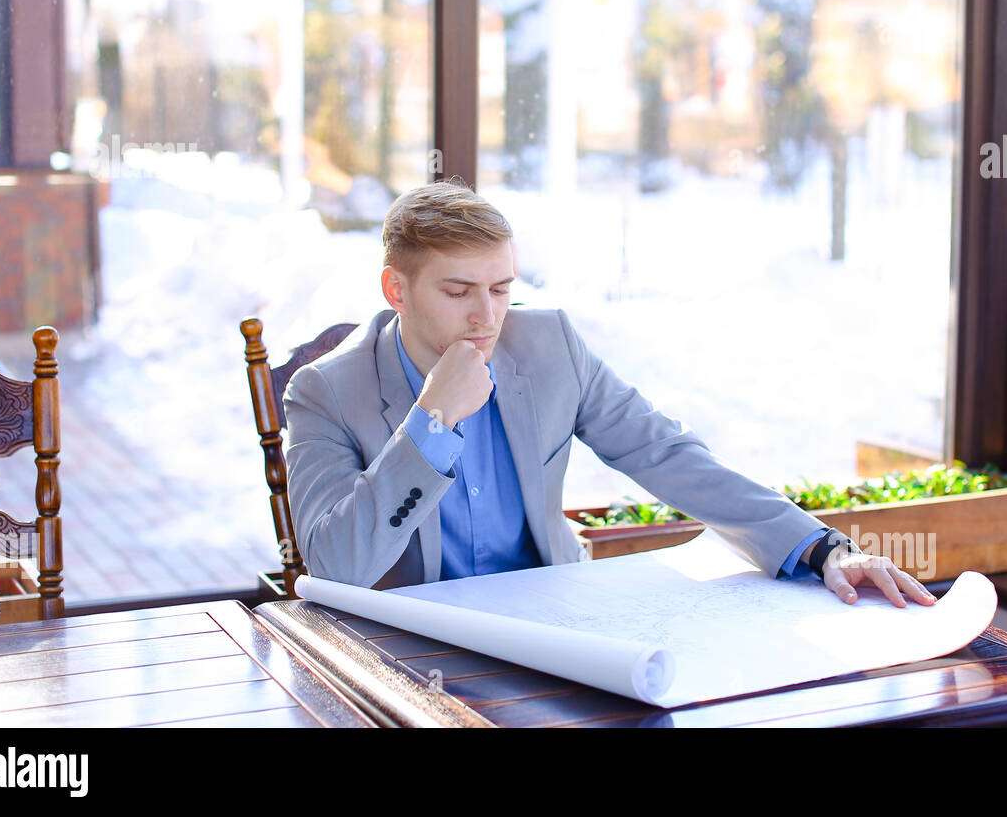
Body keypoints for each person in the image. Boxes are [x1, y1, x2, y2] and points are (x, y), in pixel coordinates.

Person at [283, 181, 936, 608]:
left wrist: (823, 548)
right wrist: (430, 422)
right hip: (406, 648)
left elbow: (665, 453)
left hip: (551, 622)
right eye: (458, 292)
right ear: (396, 291)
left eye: (502, 288)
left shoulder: (549, 346)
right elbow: (336, 564)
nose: (488, 317)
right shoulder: (325, 392)